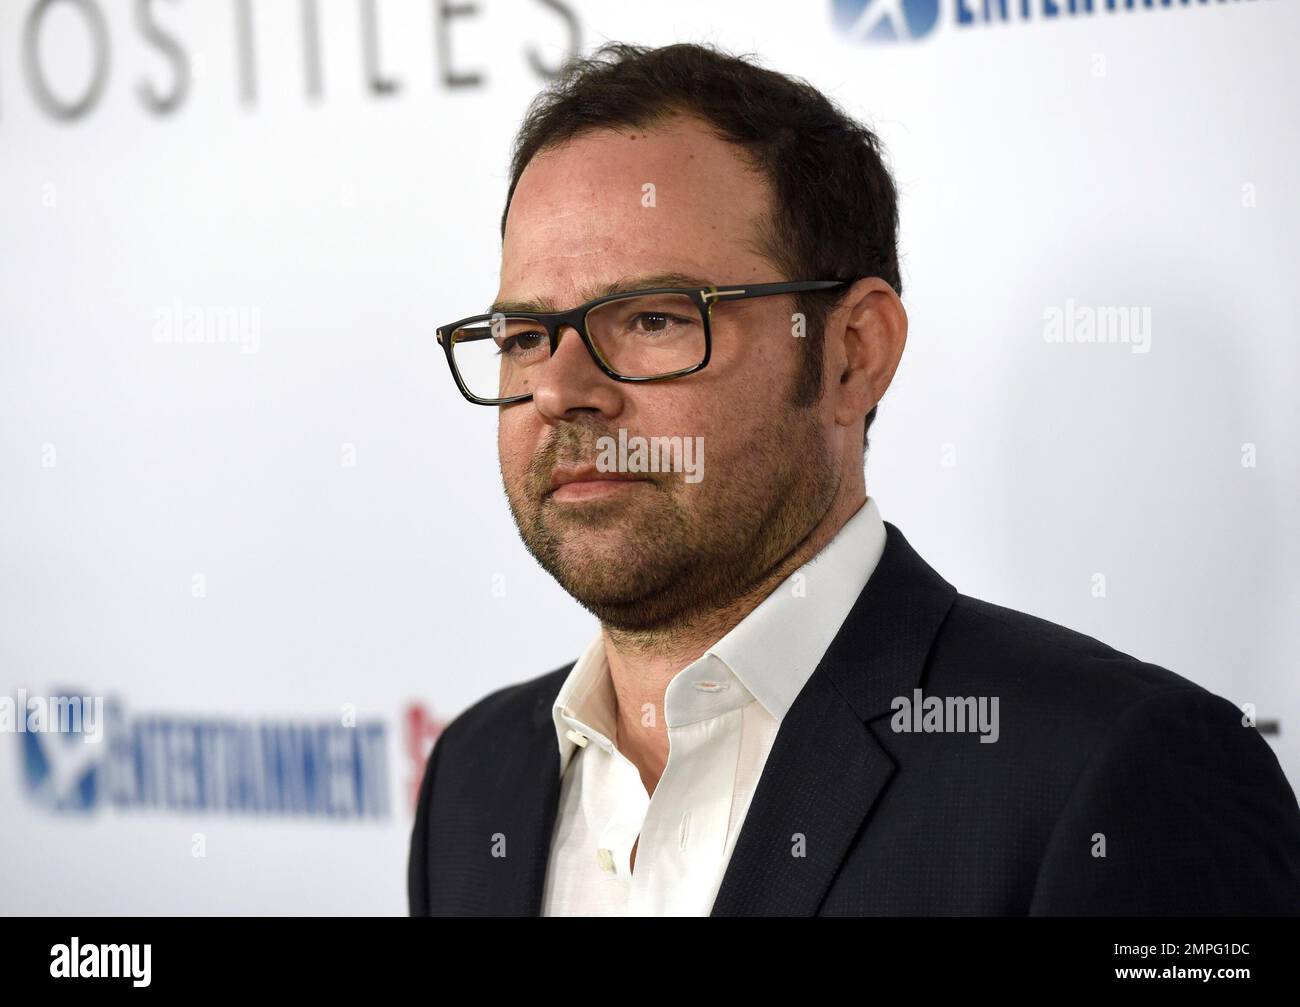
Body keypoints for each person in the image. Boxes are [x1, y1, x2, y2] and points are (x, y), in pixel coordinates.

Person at [408, 41, 1300, 916]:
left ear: (852, 353)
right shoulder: (474, 778)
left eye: (652, 319)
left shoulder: (1118, 771)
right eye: (525, 338)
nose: (560, 390)